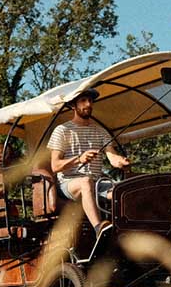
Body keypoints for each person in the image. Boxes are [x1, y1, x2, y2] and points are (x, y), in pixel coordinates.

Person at [47, 88, 130, 233]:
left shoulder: (100, 131)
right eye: (83, 101)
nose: (88, 104)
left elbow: (112, 157)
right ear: (73, 105)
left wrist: (121, 162)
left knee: (124, 190)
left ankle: (125, 230)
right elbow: (55, 166)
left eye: (90, 101)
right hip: (68, 183)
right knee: (85, 181)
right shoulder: (62, 130)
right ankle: (99, 229)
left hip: (97, 183)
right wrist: (79, 159)